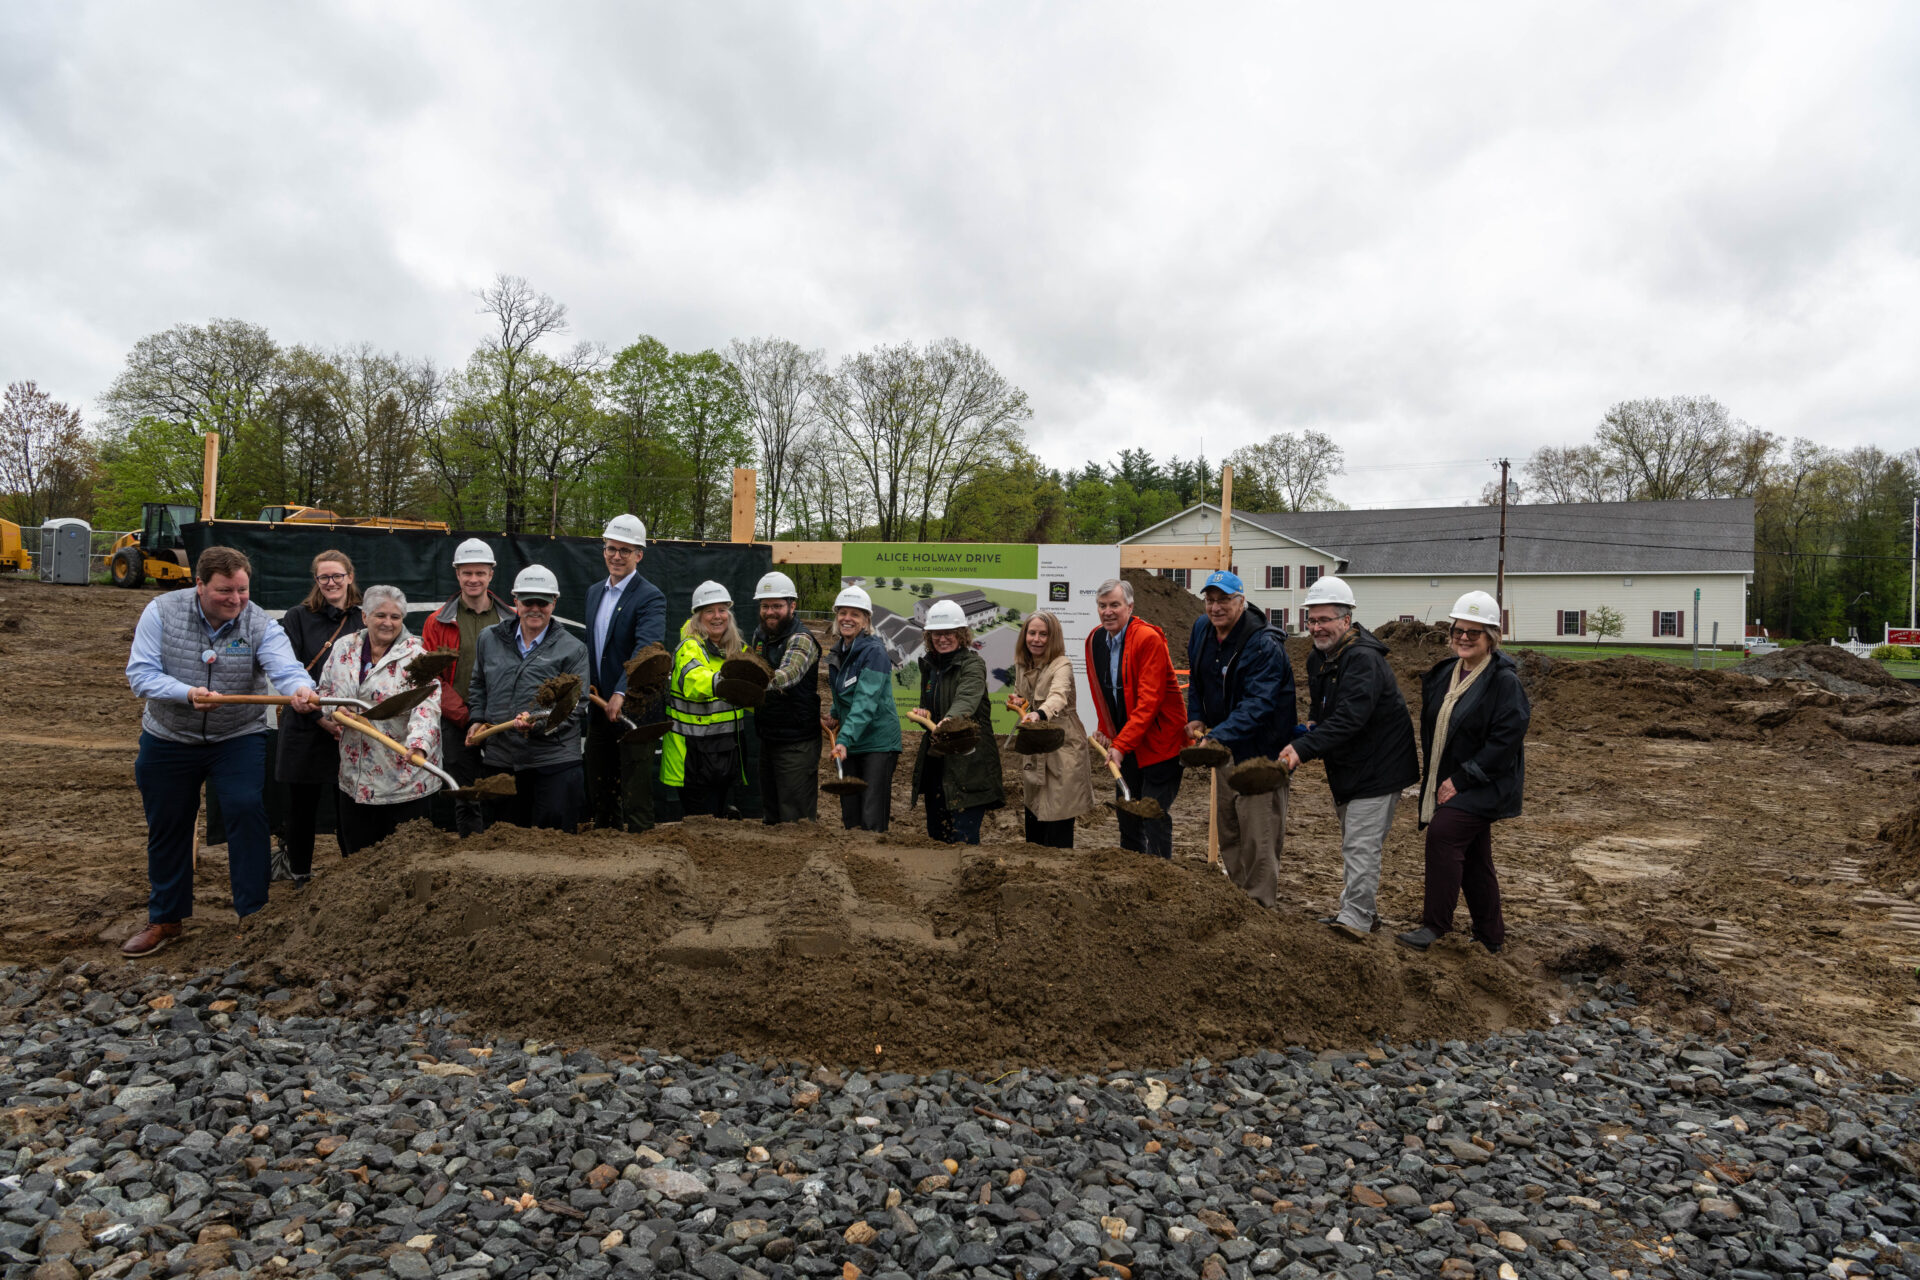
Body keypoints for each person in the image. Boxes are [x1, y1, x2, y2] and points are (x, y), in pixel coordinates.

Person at [122, 545, 321, 956]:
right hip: (168, 736)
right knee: (168, 824)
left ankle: (253, 917)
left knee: (246, 810)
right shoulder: (161, 612)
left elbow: (284, 666)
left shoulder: (258, 621)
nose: (235, 600)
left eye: (242, 590)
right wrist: (186, 693)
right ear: (199, 586)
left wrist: (301, 690)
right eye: (224, 591)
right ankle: (166, 918)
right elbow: (141, 675)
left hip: (237, 737)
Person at [1279, 575, 1421, 941]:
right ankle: (1362, 912)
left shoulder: (1362, 660)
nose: (1316, 627)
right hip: (1350, 766)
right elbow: (1323, 707)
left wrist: (1302, 749)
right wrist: (1311, 724)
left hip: (1379, 767)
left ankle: (1355, 919)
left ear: (1347, 620)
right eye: (1311, 619)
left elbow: (1351, 718)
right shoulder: (1321, 657)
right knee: (1354, 842)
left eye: (1324, 620)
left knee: (1360, 845)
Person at [1399, 591, 1530, 954]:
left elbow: (1505, 741)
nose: (1465, 638)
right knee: (1474, 857)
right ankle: (1491, 935)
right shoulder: (1444, 674)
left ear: (1492, 637)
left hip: (1486, 782)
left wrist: (1461, 779)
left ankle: (1434, 926)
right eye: (1459, 630)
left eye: (1475, 632)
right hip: (1451, 778)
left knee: (1444, 836)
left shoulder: (1504, 681)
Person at [1185, 570, 1295, 907]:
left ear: (1242, 602)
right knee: (1230, 830)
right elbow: (1198, 681)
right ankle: (1238, 899)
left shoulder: (1264, 644)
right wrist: (1196, 717)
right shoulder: (1202, 630)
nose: (1216, 607)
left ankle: (1260, 907)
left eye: (1224, 600)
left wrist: (1216, 735)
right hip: (1225, 748)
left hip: (1261, 754)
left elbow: (1258, 705)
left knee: (1258, 836)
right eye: (1210, 600)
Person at [316, 585, 442, 853]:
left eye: (395, 617)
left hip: (403, 776)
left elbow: (427, 707)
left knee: (403, 861)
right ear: (365, 617)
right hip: (355, 777)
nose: (388, 623)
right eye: (380, 615)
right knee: (358, 859)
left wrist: (419, 744)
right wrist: (336, 711)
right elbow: (325, 691)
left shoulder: (416, 657)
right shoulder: (343, 648)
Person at [465, 565, 589, 831]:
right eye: (527, 601)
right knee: (503, 838)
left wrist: (540, 723)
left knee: (553, 840)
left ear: (554, 603)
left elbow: (576, 705)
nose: (535, 608)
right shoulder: (489, 638)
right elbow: (478, 684)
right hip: (502, 758)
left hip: (553, 760)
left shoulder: (573, 649)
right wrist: (476, 719)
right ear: (515, 601)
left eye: (542, 602)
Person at [272, 549, 363, 885]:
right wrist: (321, 718)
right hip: (305, 724)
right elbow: (289, 669)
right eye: (324, 577)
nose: (331, 582)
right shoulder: (297, 616)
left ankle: (353, 874)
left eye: (337, 575)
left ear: (350, 576)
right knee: (301, 808)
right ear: (316, 581)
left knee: (349, 807)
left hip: (349, 726)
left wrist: (343, 720)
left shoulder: (363, 617)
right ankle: (300, 874)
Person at [1086, 578, 1186, 858]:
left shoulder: (1147, 639)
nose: (1108, 611)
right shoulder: (1095, 640)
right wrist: (1107, 730)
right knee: (1127, 815)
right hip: (1127, 743)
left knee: (1152, 814)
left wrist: (1120, 745)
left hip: (1160, 743)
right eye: (1102, 605)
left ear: (1129, 606)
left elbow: (1149, 702)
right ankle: (1132, 875)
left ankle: (1160, 874)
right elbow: (1101, 690)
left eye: (1115, 605)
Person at [421, 538, 514, 836]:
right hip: (457, 719)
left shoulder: (512, 618)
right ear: (457, 574)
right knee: (465, 791)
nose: (473, 579)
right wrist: (464, 716)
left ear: (491, 574)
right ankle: (471, 848)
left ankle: (505, 846)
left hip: (501, 719)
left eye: (480, 573)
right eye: (467, 573)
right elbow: (431, 677)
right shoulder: (436, 622)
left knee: (503, 786)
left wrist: (496, 716)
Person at [583, 514, 667, 833]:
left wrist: (620, 692)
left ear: (639, 555)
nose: (616, 556)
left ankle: (643, 858)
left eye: (625, 550)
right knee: (600, 784)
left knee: (635, 790)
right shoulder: (594, 593)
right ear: (604, 549)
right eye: (611, 548)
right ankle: (606, 843)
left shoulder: (650, 597)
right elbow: (595, 648)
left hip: (634, 710)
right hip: (598, 708)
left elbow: (645, 651)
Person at [909, 599, 1004, 843]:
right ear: (929, 636)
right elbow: (931, 712)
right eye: (937, 634)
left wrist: (949, 720)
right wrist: (925, 717)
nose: (943, 639)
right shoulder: (930, 667)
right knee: (937, 836)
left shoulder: (972, 664)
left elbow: (966, 699)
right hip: (938, 766)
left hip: (968, 765)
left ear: (961, 634)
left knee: (963, 839)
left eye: (949, 633)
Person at [662, 580, 749, 819]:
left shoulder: (736, 649)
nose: (717, 616)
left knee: (720, 824)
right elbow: (695, 682)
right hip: (694, 756)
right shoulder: (689, 648)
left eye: (722, 610)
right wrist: (733, 679)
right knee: (700, 824)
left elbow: (751, 695)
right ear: (698, 618)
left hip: (725, 753)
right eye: (709, 611)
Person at [1010, 610, 1094, 847]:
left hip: (1062, 744)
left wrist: (1039, 713)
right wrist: (1019, 702)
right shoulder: (1021, 663)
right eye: (1032, 633)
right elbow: (1022, 694)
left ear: (1053, 637)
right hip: (1036, 744)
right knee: (1034, 807)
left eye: (1043, 634)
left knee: (1059, 811)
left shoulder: (1062, 664)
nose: (1036, 639)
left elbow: (1058, 696)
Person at [824, 585, 901, 832]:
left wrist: (844, 739)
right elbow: (842, 693)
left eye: (855, 614)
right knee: (851, 809)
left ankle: (875, 861)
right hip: (852, 740)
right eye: (842, 612)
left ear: (866, 620)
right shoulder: (840, 651)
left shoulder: (874, 652)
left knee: (871, 812)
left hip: (878, 743)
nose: (847, 619)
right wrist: (834, 716)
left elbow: (865, 702)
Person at [750, 570, 824, 824]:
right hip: (769, 735)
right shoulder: (760, 636)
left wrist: (749, 682)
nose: (770, 611)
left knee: (795, 816)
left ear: (792, 606)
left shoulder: (801, 638)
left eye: (777, 606)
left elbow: (789, 674)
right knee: (771, 812)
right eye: (765, 606)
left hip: (796, 741)